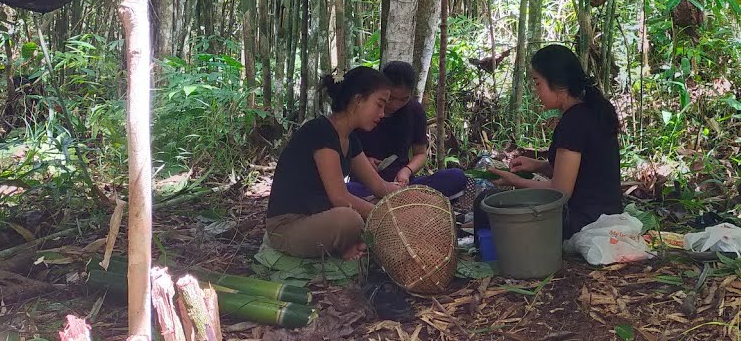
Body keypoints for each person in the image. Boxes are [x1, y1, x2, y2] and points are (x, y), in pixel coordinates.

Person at [265, 66, 401, 260]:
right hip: (288, 227)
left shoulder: (350, 139)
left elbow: (379, 186)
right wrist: (388, 217)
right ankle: (349, 243)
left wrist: (406, 199)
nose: (382, 113)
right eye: (379, 105)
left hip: (320, 217)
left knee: (378, 203)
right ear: (358, 100)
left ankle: (351, 244)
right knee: (349, 220)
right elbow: (340, 198)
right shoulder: (321, 132)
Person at [489, 44, 623, 237]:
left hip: (583, 221)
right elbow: (585, 172)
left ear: (558, 85)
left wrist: (515, 181)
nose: (535, 91)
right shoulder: (592, 111)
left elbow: (560, 191)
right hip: (606, 215)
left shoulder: (574, 122)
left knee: (489, 206)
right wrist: (537, 165)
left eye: (537, 83)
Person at [347, 61, 467, 201]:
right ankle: (406, 201)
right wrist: (362, 163)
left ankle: (393, 200)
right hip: (366, 185)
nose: (395, 105)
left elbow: (420, 154)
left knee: (456, 177)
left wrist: (406, 171)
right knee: (345, 190)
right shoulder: (362, 111)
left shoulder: (414, 111)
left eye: (403, 99)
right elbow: (342, 156)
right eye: (390, 98)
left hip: (402, 184)